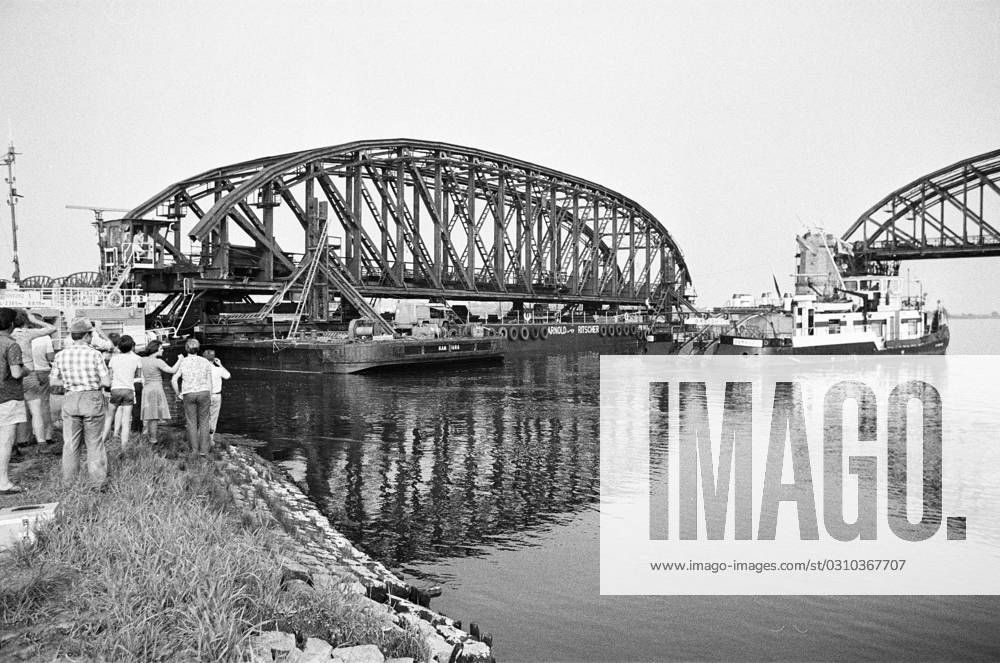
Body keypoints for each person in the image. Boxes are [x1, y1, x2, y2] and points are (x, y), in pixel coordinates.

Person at [50, 317, 111, 487]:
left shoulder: (61, 354)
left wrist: (71, 383)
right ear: (86, 335)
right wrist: (91, 383)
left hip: (70, 398)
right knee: (94, 443)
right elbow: (106, 382)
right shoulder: (95, 354)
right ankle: (98, 483)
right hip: (91, 398)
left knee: (70, 444)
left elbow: (53, 382)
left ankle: (69, 483)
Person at [11, 309, 56, 452]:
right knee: (36, 411)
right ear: (25, 321)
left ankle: (15, 444)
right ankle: (41, 443)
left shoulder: (8, 335)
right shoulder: (28, 333)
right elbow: (52, 328)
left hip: (11, 375)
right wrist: (34, 320)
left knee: (12, 412)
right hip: (29, 374)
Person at [171, 339, 213, 456]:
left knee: (191, 422)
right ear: (198, 349)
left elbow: (174, 380)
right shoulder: (205, 361)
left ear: (186, 349)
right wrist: (210, 395)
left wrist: (178, 393)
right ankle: (204, 451)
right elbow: (209, 381)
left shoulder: (183, 362)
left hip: (188, 393)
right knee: (204, 421)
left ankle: (194, 450)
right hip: (204, 392)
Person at [0, 308, 26, 495]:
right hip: (8, 396)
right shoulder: (11, 344)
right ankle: (3, 481)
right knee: (6, 440)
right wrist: (26, 370)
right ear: (11, 325)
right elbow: (16, 372)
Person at [103, 335, 142, 450]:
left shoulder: (113, 359)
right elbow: (138, 376)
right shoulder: (137, 359)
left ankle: (101, 442)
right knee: (126, 421)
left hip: (115, 389)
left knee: (109, 417)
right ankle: (124, 447)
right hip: (129, 390)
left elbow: (110, 376)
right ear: (131, 347)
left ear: (119, 347)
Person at [139, 340, 175, 445]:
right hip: (156, 389)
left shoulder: (142, 360)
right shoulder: (158, 361)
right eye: (161, 348)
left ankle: (146, 434)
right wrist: (180, 360)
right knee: (154, 416)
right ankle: (153, 439)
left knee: (148, 415)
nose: (163, 350)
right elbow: (172, 370)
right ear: (156, 349)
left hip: (146, 388)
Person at [202, 349, 230, 446]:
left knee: (204, 417)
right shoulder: (218, 369)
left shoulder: (201, 370)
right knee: (213, 418)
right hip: (216, 395)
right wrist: (220, 364)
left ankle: (201, 438)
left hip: (204, 395)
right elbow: (228, 375)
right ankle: (210, 439)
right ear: (214, 359)